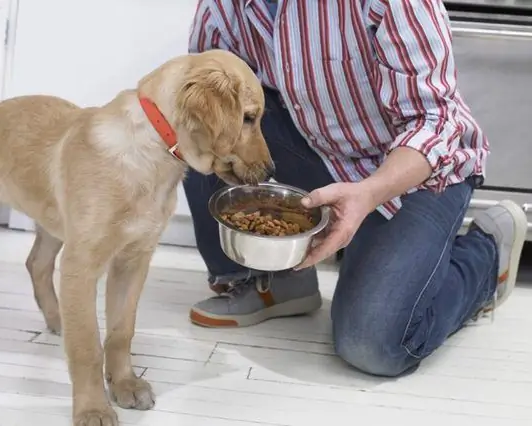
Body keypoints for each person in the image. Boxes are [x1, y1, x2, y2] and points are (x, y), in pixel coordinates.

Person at [182, 0, 528, 377]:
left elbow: (436, 122)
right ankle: (275, 282)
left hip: (414, 169)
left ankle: (485, 251)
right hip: (316, 145)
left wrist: (369, 192)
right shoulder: (223, 8)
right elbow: (204, 95)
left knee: (372, 344)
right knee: (203, 117)